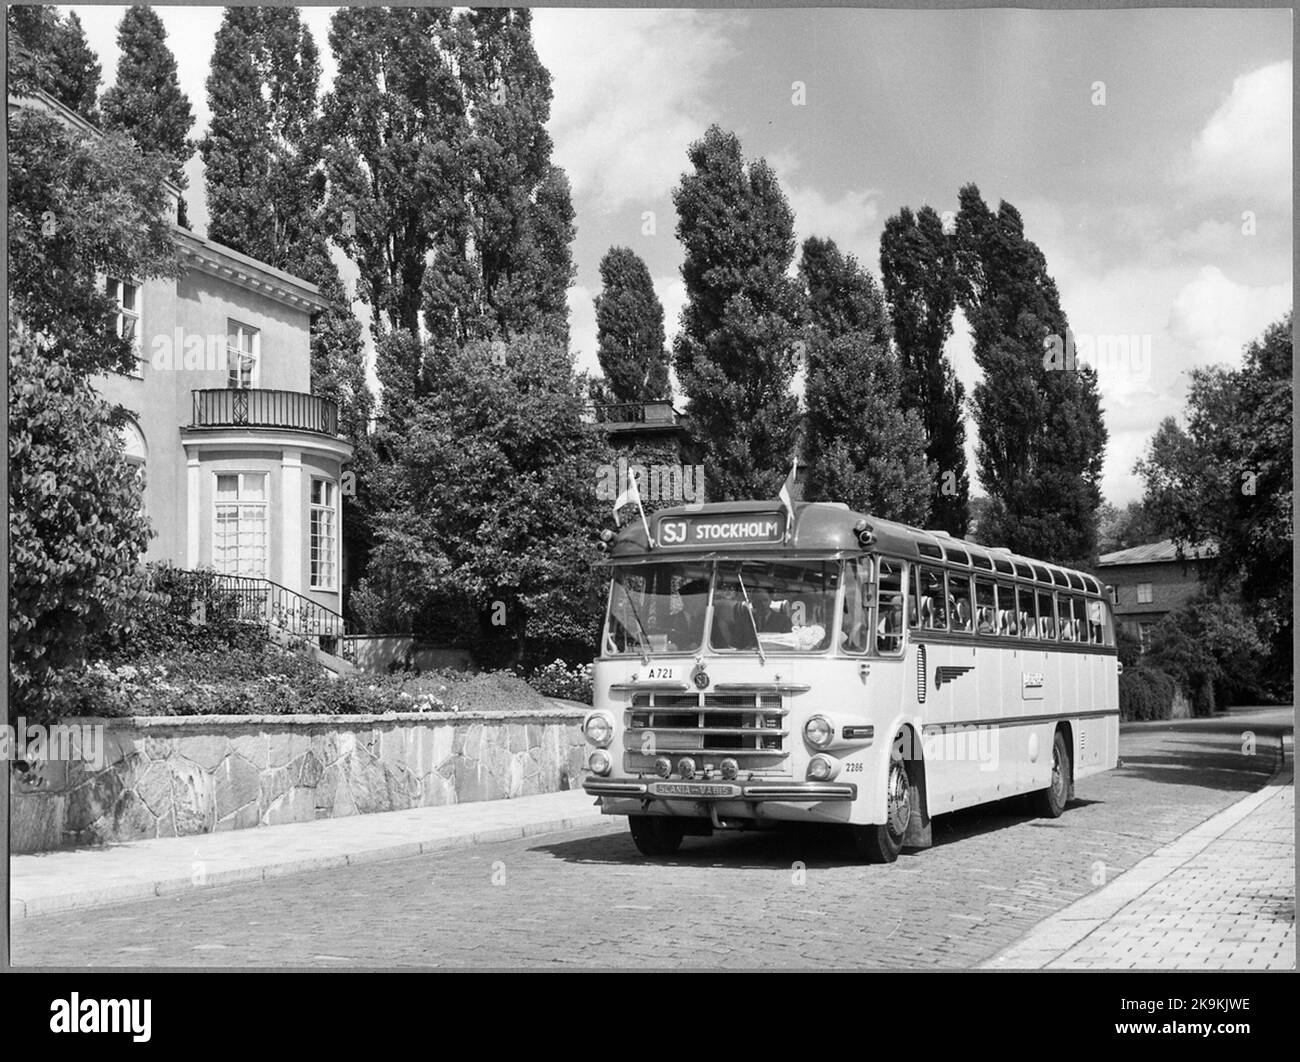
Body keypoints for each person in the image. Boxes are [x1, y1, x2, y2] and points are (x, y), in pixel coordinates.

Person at [665, 578, 709, 651]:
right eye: (698, 598)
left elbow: (722, 648)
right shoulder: (669, 622)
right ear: (686, 599)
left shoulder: (711, 622)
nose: (703, 602)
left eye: (703, 598)